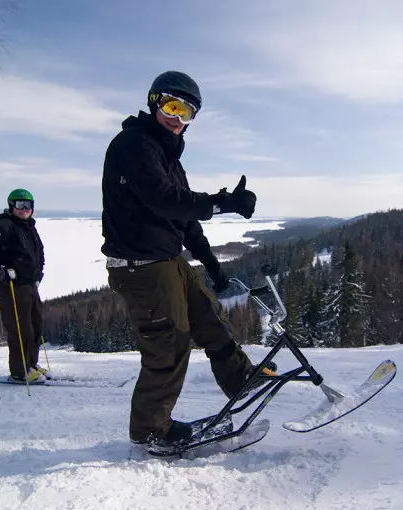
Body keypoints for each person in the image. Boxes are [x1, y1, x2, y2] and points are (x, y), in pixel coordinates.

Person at [101, 70, 274, 446]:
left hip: (167, 257)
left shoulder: (167, 156)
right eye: (171, 107)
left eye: (187, 113)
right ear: (154, 102)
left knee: (208, 315)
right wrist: (223, 202)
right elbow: (164, 199)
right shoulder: (134, 144)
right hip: (140, 265)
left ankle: (240, 379)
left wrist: (211, 263)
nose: (177, 119)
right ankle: (150, 429)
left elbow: (182, 217)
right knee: (170, 342)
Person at [0, 189, 50, 384]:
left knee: (35, 326)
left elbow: (38, 254)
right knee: (20, 328)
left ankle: (31, 364)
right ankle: (20, 371)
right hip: (12, 286)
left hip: (30, 285)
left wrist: (38, 273)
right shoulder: (5, 225)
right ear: (11, 206)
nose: (24, 209)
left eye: (28, 205)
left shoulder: (28, 227)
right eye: (19, 205)